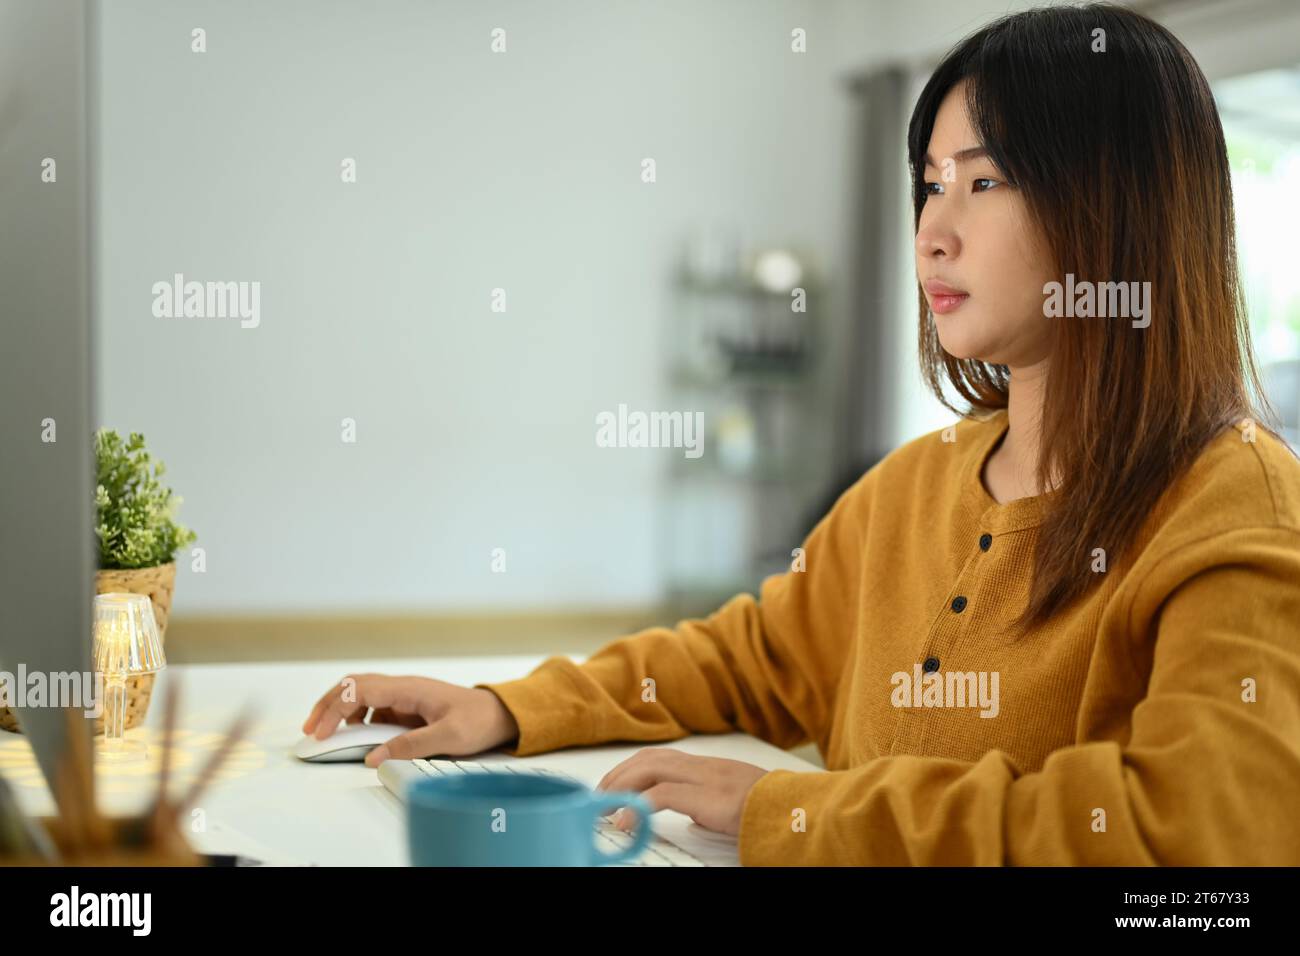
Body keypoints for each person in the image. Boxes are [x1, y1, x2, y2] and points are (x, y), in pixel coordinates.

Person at [301, 3, 1300, 865]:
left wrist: (787, 809)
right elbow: (745, 657)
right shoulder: (916, 484)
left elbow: (1199, 837)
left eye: (983, 183)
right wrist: (508, 708)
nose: (931, 230)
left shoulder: (1234, 506)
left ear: (1117, 208)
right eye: (928, 182)